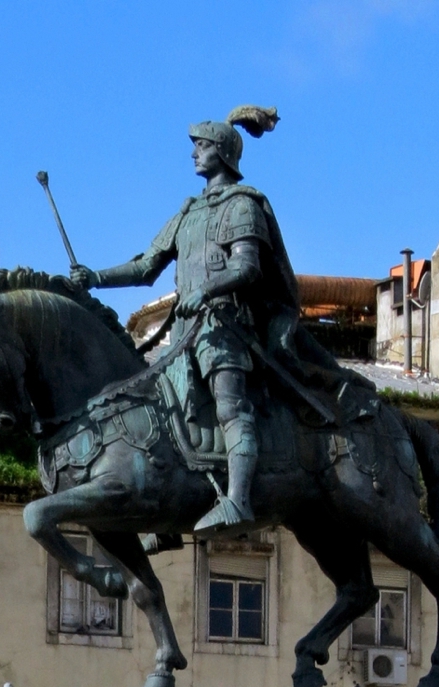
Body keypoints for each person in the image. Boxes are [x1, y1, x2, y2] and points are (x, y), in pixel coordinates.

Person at [70, 106, 299, 536]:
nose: (194, 153)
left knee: (231, 407)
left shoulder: (243, 205)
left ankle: (239, 500)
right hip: (185, 333)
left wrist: (206, 291)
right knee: (166, 412)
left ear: (224, 153)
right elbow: (145, 265)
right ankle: (171, 515)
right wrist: (96, 278)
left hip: (226, 327)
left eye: (202, 145)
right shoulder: (189, 212)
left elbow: (248, 267)